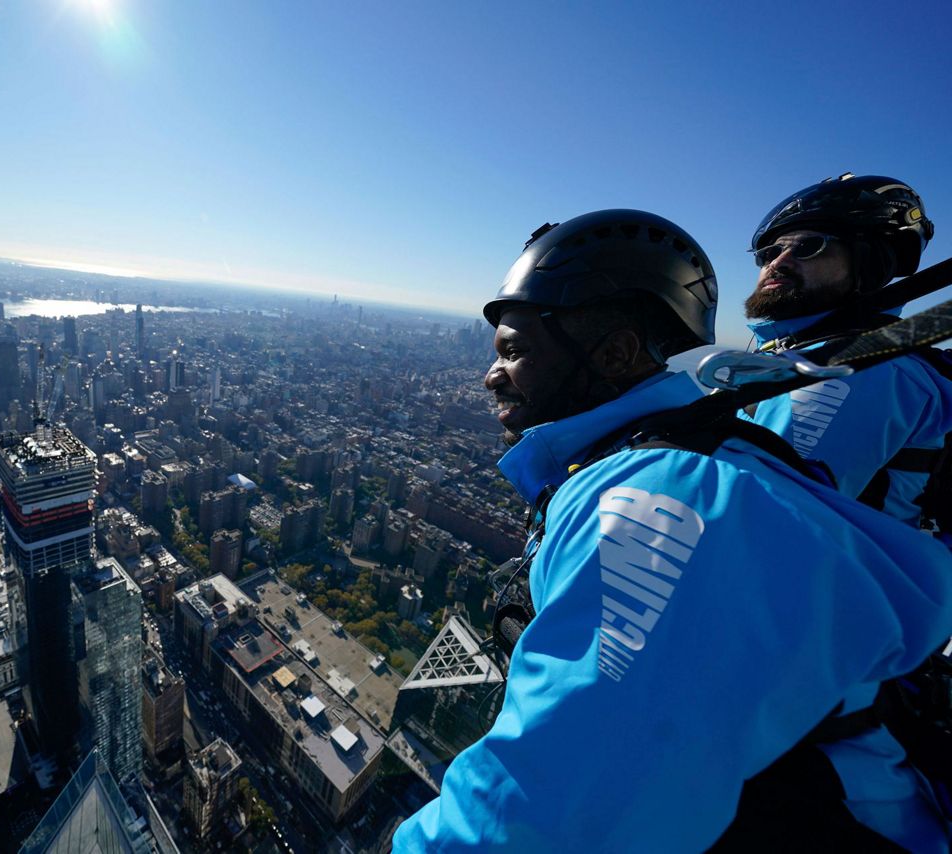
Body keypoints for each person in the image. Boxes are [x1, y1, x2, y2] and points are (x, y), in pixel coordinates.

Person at [391, 209, 952, 852]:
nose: (490, 375)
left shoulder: (659, 497)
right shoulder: (673, 456)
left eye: (514, 351)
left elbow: (546, 811)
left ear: (617, 353)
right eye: (768, 248)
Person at [741, 173, 952, 527]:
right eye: (770, 251)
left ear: (868, 266)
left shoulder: (854, 370)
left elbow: (758, 522)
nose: (778, 261)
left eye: (808, 246)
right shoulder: (805, 354)